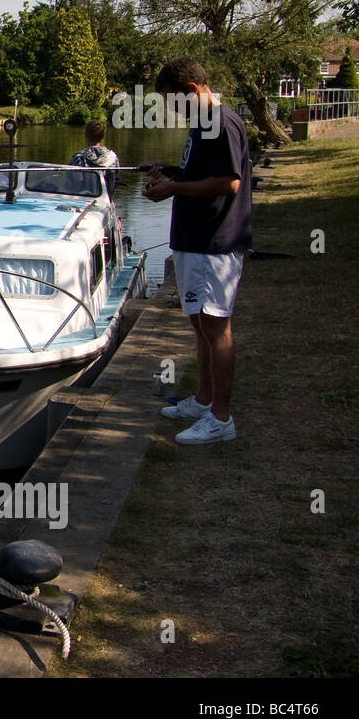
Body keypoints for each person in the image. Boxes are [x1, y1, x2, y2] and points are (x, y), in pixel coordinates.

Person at [142, 58, 252, 444]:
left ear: (191, 91)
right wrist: (170, 174)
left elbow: (229, 183)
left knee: (217, 326)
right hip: (195, 239)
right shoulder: (203, 123)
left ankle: (221, 419)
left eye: (173, 102)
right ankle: (204, 400)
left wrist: (173, 189)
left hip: (214, 241)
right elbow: (202, 174)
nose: (172, 110)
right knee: (201, 323)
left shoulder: (221, 123)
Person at [70, 120, 120, 196]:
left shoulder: (79, 158)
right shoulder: (113, 157)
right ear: (103, 136)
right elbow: (115, 181)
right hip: (105, 200)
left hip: (82, 200)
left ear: (86, 135)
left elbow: (72, 183)